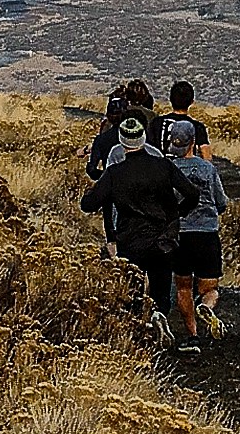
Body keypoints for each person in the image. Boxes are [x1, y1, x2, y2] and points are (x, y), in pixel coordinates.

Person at [80, 122, 200, 344]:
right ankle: (159, 316)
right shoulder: (164, 166)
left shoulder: (115, 173)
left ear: (123, 143)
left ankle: (139, 336)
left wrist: (93, 192)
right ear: (143, 139)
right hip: (162, 240)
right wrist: (175, 215)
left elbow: (88, 205)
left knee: (132, 292)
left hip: (130, 242)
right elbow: (192, 193)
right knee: (161, 287)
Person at [153, 91, 229, 343]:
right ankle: (206, 306)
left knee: (183, 287)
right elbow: (221, 202)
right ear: (193, 141)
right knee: (210, 288)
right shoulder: (207, 169)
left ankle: (192, 333)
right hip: (206, 233)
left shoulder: (166, 169)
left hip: (180, 235)